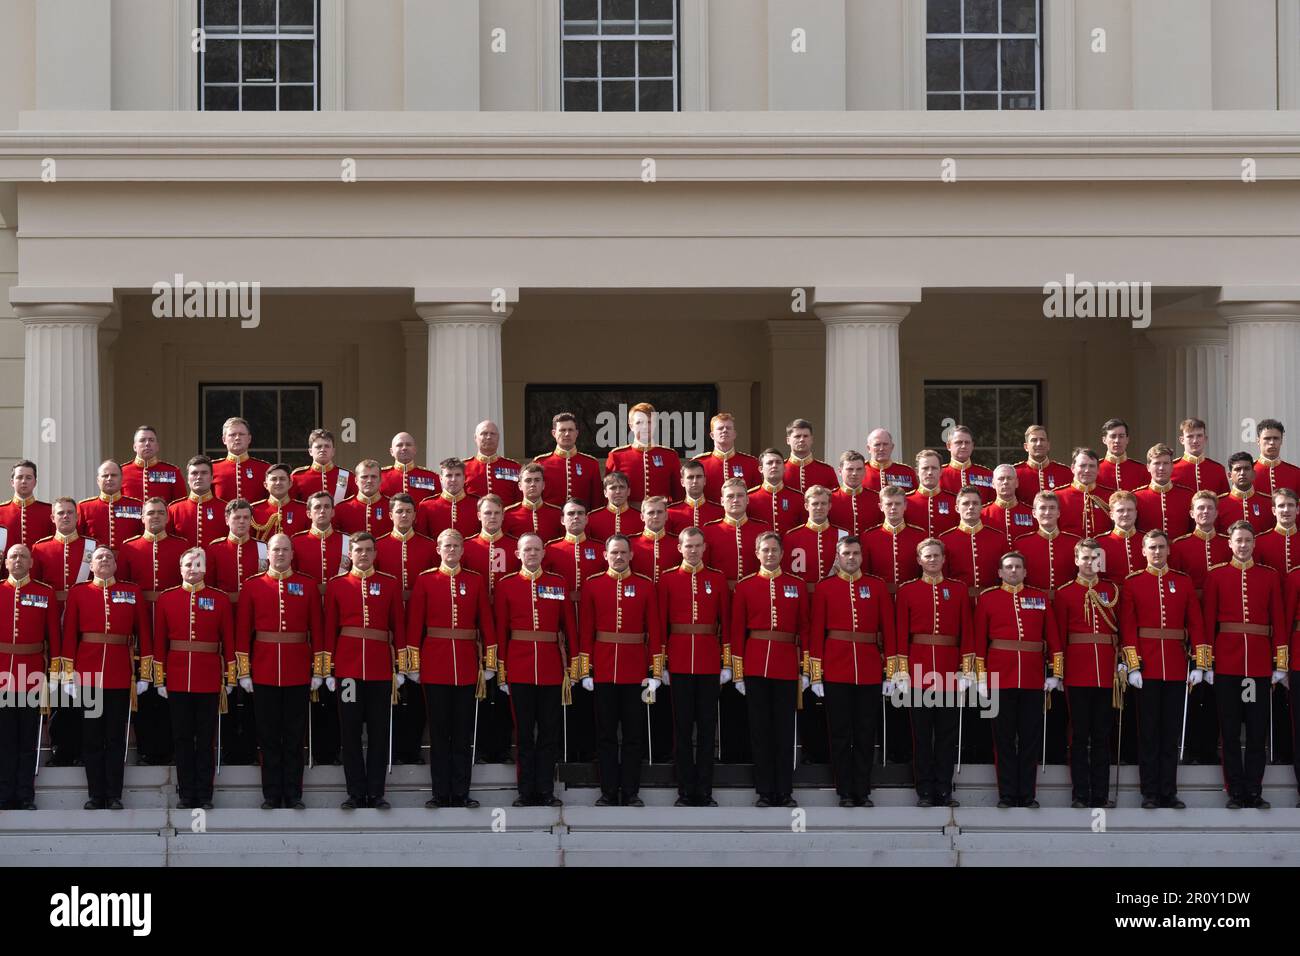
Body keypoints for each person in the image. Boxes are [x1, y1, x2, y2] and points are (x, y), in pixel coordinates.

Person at [1198, 521, 1285, 809]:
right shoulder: (1217, 575)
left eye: (1248, 540)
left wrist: (1279, 662)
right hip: (1227, 665)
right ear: (1230, 543)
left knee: (1257, 731)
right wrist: (1206, 663)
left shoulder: (1269, 576)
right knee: (1231, 730)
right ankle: (1235, 789)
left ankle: (1254, 790)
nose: (1244, 545)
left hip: (1258, 667)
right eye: (1239, 540)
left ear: (1254, 543)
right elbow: (1208, 621)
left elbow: (1278, 620)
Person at [405, 529, 495, 808]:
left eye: (456, 545)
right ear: (438, 550)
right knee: (439, 733)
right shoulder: (426, 580)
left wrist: (489, 662)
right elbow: (414, 625)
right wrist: (413, 663)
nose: (452, 550)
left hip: (467, 666)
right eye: (447, 545)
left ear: (463, 550)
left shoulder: (475, 580)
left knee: (462, 733)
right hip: (435, 666)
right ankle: (440, 793)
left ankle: (461, 792)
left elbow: (486, 623)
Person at [235, 532, 323, 810]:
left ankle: (294, 794)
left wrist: (319, 670)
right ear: (268, 554)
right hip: (264, 670)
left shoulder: (306, 585)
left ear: (292, 553)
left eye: (285, 550)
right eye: (276, 550)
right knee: (269, 737)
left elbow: (317, 631)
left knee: (295, 737)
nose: (281, 554)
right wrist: (244, 671)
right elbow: (242, 632)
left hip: (297, 671)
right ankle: (272, 794)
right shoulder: (253, 586)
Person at [62, 547, 152, 810]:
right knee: (91, 738)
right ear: (91, 565)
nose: (104, 561)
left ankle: (114, 794)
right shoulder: (79, 592)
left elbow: (144, 634)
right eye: (99, 557)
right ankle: (95, 794)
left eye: (109, 558)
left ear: (116, 564)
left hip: (119, 674)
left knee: (115, 738)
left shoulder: (132, 592)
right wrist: (68, 675)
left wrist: (145, 673)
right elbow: (69, 636)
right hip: (88, 674)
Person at [1119, 529, 1202, 809]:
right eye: (1152, 547)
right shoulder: (1133, 583)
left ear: (1169, 550)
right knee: (1149, 733)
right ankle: (1150, 792)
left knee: (1170, 733)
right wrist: (1133, 665)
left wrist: (1199, 662)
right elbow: (1128, 628)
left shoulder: (1183, 581)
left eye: (1161, 547)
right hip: (1148, 668)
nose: (1157, 552)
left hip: (1177, 667)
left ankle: (1169, 791)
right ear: (1143, 551)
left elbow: (1195, 624)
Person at [972, 551, 1062, 808]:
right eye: (1008, 567)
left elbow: (1053, 637)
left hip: (1033, 679)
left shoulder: (1039, 598)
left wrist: (1055, 673)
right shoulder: (988, 600)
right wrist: (980, 677)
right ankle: (1008, 794)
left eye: (1018, 567)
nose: (1013, 571)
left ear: (1025, 572)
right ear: (999, 572)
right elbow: (980, 642)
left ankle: (1028, 794)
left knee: (1030, 739)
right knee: (1004, 739)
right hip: (1000, 678)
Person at [809, 536, 893, 807]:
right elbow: (816, 633)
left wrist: (891, 671)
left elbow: (888, 631)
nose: (852, 558)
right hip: (836, 668)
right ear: (838, 556)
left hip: (868, 669)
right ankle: (845, 791)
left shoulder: (876, 586)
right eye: (846, 553)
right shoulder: (825, 587)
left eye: (856, 553)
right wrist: (816, 673)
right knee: (841, 734)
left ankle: (863, 790)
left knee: (866, 733)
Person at [323, 532, 405, 810]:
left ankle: (376, 792)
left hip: (381, 671)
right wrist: (327, 669)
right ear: (351, 553)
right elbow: (329, 629)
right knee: (350, 732)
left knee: (380, 734)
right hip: (348, 672)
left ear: (375, 553)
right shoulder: (337, 584)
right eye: (358, 550)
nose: (364, 555)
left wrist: (402, 665)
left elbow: (399, 627)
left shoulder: (389, 584)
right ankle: (356, 792)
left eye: (369, 550)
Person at [495, 533, 577, 808]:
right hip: (519, 670)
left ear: (544, 553)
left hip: (552, 669)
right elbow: (501, 631)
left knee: (549, 734)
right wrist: (502, 671)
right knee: (525, 735)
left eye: (536, 549)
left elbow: (569, 628)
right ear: (517, 554)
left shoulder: (557, 583)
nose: (531, 554)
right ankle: (525, 790)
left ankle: (546, 790)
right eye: (526, 549)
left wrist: (574, 666)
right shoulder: (506, 585)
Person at [578, 534, 661, 807]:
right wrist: (585, 670)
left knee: (634, 736)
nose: (619, 557)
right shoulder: (593, 585)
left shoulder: (645, 585)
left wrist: (655, 671)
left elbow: (654, 630)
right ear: (605, 556)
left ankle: (631, 791)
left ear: (631, 555)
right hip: (603, 671)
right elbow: (586, 630)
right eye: (614, 553)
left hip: (635, 672)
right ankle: (609, 791)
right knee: (606, 736)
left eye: (623, 553)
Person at [152, 548, 233, 810]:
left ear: (205, 569)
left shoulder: (219, 599)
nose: (193, 569)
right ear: (180, 568)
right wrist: (159, 678)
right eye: (188, 564)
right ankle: (186, 793)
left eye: (198, 565)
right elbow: (159, 641)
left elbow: (228, 641)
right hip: (176, 678)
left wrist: (230, 675)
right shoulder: (167, 598)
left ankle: (205, 794)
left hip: (208, 678)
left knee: (206, 738)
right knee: (183, 739)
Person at [732, 531, 808, 807]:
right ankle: (764, 791)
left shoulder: (796, 585)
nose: (770, 554)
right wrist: (738, 671)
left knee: (785, 732)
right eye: (765, 550)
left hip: (786, 665)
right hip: (754, 665)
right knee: (761, 732)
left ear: (782, 553)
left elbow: (804, 629)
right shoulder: (746, 586)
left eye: (775, 550)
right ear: (757, 553)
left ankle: (784, 791)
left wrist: (807, 668)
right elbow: (737, 631)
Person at [656, 527, 729, 806]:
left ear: (704, 547)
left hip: (709, 662)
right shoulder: (668, 579)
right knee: (683, 729)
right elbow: (660, 624)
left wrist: (727, 661)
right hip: (679, 660)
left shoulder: (717, 579)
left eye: (698, 546)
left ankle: (705, 790)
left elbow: (727, 623)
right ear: (680, 548)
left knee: (708, 728)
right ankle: (685, 790)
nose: (694, 551)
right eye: (689, 546)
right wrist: (660, 664)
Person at [895, 538, 969, 807]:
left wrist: (966, 669)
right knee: (922, 736)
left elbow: (967, 631)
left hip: (949, 672)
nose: (932, 560)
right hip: (918, 671)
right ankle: (924, 790)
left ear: (944, 559)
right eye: (927, 556)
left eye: (937, 555)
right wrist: (901, 671)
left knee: (948, 736)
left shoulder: (958, 590)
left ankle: (944, 789)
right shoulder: (907, 591)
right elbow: (901, 633)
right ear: (918, 560)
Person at [116, 497, 186, 766]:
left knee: (170, 685)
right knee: (144, 690)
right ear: (141, 518)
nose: (155, 517)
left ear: (167, 518)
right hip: (140, 622)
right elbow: (122, 587)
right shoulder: (130, 547)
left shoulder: (180, 546)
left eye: (160, 513)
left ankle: (169, 747)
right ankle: (147, 748)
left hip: (174, 623)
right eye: (150, 513)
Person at [1054, 539, 1119, 808]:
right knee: (1079, 735)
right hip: (1077, 672)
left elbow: (1122, 627)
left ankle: (1100, 794)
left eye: (1095, 558)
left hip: (1106, 670)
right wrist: (1057, 671)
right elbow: (1057, 635)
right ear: (1076, 560)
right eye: (1085, 558)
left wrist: (1125, 663)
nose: (1090, 563)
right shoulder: (1065, 592)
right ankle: (1081, 793)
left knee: (1102, 735)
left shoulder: (1112, 590)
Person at [30, 497, 94, 766]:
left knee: (82, 689)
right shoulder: (41, 548)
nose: (66, 517)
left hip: (83, 627)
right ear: (52, 518)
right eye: (61, 513)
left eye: (70, 513)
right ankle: (60, 748)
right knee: (56, 687)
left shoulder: (91, 548)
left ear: (77, 517)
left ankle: (81, 748)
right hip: (53, 624)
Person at [204, 499, 268, 766]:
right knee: (228, 687)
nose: (241, 522)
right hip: (225, 623)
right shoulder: (216, 549)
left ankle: (253, 746)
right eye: (236, 517)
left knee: (254, 688)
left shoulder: (264, 549)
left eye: (245, 518)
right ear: (227, 519)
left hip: (258, 625)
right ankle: (229, 747)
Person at [1168, 491, 1229, 766]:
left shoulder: (1228, 543)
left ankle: (1210, 745)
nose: (1205, 513)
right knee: (1193, 684)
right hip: (1190, 620)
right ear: (1192, 514)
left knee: (1218, 685)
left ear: (1217, 514)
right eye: (1199, 509)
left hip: (1222, 621)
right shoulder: (1180, 546)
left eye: (1209, 509)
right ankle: (1192, 745)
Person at [542, 500, 604, 764]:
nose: (575, 518)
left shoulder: (599, 549)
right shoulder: (552, 549)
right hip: (562, 630)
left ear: (587, 519)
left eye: (580, 513)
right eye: (570, 514)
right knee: (562, 694)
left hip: (595, 628)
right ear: (562, 520)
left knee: (591, 693)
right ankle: (563, 747)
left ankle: (588, 748)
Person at [0, 544, 58, 809]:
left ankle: (25, 795)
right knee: (4, 738)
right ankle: (3, 793)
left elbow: (53, 636)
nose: (18, 560)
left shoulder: (44, 593)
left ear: (31, 562)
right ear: (6, 562)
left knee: (28, 738)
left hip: (32, 673)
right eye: (14, 556)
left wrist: (56, 671)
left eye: (23, 556)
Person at [605, 403, 682, 506]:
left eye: (649, 422)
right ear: (631, 426)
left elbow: (679, 495)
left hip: (661, 517)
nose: (645, 427)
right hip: (629, 516)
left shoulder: (669, 456)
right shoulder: (617, 456)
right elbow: (608, 496)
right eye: (639, 423)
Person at [534, 412, 603, 510]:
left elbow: (597, 502)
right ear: (554, 433)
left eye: (570, 430)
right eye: (562, 430)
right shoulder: (540, 463)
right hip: (551, 521)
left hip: (580, 522)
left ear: (577, 433)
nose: (567, 434)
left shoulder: (591, 463)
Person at [76, 461, 143, 552]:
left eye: (114, 475)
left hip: (129, 562)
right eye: (105, 476)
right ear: (98, 480)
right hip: (96, 563)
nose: (109, 478)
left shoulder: (138, 506)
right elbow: (78, 539)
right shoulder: (84, 507)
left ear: (122, 479)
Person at [695, 412, 759, 503]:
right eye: (720, 428)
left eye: (728, 428)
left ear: (734, 434)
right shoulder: (700, 463)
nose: (724, 430)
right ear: (712, 435)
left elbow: (755, 497)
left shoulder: (751, 463)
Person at [166, 455, 229, 547]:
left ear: (212, 478)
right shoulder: (173, 509)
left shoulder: (225, 509)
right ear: (188, 479)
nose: (199, 477)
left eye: (204, 473)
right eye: (194, 473)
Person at [1134, 444, 1194, 538]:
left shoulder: (1188, 495)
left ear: (1172, 466)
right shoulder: (1137, 497)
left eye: (1165, 463)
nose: (1161, 468)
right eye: (1157, 463)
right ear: (1148, 467)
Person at [416, 459, 481, 540]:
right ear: (441, 478)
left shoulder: (478, 504)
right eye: (449, 475)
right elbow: (422, 539)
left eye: (458, 475)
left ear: (464, 478)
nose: (453, 479)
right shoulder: (426, 506)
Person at [211, 417, 270, 504]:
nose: (237, 438)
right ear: (224, 440)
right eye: (232, 435)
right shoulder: (212, 468)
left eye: (241, 434)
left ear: (249, 439)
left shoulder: (265, 468)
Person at [1055, 448, 1112, 539]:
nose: (1087, 470)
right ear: (1073, 468)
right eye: (1082, 465)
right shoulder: (1058, 496)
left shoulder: (1110, 496)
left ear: (1098, 469)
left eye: (1092, 466)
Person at [463, 420, 522, 508]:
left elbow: (520, 500)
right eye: (484, 433)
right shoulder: (463, 467)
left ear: (498, 438)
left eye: (493, 434)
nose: (489, 437)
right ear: (475, 438)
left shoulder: (514, 467)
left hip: (506, 519)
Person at [290, 428, 356, 504]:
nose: (323, 449)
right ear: (310, 451)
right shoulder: (297, 477)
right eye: (318, 446)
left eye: (327, 446)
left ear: (333, 451)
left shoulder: (346, 476)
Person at [120, 425, 184, 504]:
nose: (147, 443)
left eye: (151, 440)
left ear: (157, 446)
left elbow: (180, 505)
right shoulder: (121, 472)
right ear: (134, 447)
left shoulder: (172, 472)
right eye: (142, 440)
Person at [747, 450, 806, 534]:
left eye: (778, 462)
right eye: (770, 463)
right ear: (761, 469)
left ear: (784, 468)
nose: (774, 466)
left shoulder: (798, 497)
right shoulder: (750, 497)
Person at [981, 464, 1036, 551]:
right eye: (1001, 478)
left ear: (1017, 483)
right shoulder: (982, 514)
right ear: (993, 484)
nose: (1005, 482)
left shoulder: (1032, 513)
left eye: (1009, 478)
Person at [502, 463, 563, 541]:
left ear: (543, 485)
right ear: (520, 486)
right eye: (528, 480)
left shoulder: (557, 514)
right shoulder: (508, 514)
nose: (533, 484)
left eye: (537, 480)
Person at [905, 450, 959, 539]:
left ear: (941, 471)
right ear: (917, 472)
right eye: (925, 468)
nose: (930, 472)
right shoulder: (906, 501)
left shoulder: (954, 501)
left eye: (934, 468)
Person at [0, 460, 54, 548]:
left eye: (28, 478)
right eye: (19, 477)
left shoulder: (49, 511)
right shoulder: (1, 511)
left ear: (35, 482)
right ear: (12, 482)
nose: (24, 481)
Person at [1013, 425, 1073, 505]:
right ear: (1026, 447)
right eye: (1034, 440)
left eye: (1042, 440)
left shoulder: (1065, 472)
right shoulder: (1015, 473)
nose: (1039, 443)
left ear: (1048, 445)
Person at [828, 451, 882, 536]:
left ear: (864, 471)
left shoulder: (877, 498)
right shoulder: (830, 498)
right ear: (840, 471)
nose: (854, 473)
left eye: (859, 469)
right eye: (850, 469)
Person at [1218, 451, 1274, 534]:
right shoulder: (1219, 504)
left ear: (1254, 474)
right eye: (1237, 469)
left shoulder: (1268, 502)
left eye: (1246, 468)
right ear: (1229, 475)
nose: (1242, 473)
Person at [334, 460, 393, 537]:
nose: (369, 481)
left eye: (374, 477)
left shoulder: (392, 506)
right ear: (356, 480)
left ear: (380, 480)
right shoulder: (341, 508)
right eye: (364, 477)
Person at [250, 463, 307, 542]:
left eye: (282, 479)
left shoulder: (304, 510)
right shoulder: (254, 510)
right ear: (265, 485)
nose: (278, 482)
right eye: (274, 479)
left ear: (290, 484)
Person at [380, 432, 442, 504]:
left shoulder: (431, 476)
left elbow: (438, 503)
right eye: (399, 445)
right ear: (391, 452)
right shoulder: (380, 476)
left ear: (415, 449)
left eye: (408, 445)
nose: (404, 448)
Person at [1172, 417, 1229, 496]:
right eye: (1190, 436)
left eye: (1199, 436)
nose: (1195, 441)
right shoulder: (1172, 468)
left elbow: (1224, 502)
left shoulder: (1218, 469)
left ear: (1205, 439)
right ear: (1182, 440)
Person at [1096, 491, 1144, 584]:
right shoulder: (1098, 544)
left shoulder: (1147, 540)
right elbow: (1096, 578)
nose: (1126, 514)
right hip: (1114, 595)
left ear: (1136, 513)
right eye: (1120, 510)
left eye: (1130, 510)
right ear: (1111, 515)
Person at [940, 425, 995, 503]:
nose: (963, 446)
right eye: (959, 442)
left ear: (972, 446)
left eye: (967, 442)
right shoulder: (939, 474)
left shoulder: (987, 474)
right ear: (949, 446)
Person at [667, 459, 723, 534]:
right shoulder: (671, 512)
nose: (695, 481)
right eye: (690, 477)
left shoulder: (719, 512)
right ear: (682, 482)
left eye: (699, 477)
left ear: (705, 481)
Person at [586, 471, 645, 541]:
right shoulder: (591, 518)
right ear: (605, 493)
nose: (618, 491)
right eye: (613, 488)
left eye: (622, 487)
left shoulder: (641, 518)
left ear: (628, 491)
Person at [783, 419, 837, 493]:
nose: (802, 439)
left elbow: (834, 500)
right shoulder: (780, 469)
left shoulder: (826, 470)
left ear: (811, 439)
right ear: (788, 440)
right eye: (797, 436)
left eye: (805, 436)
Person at [1096, 418, 1148, 495]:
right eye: (1113, 436)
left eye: (1121, 436)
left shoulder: (1141, 470)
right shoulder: (1095, 468)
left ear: (1127, 439)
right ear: (1104, 440)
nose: (1117, 440)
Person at [1254, 418, 1300, 497]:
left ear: (1281, 440)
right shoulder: (1248, 471)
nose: (1272, 442)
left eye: (1276, 438)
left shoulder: (1296, 473)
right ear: (1258, 441)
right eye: (1267, 438)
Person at [863, 428, 915, 492]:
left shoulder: (907, 472)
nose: (881, 448)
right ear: (868, 448)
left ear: (892, 447)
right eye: (877, 445)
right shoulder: (861, 471)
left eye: (885, 444)